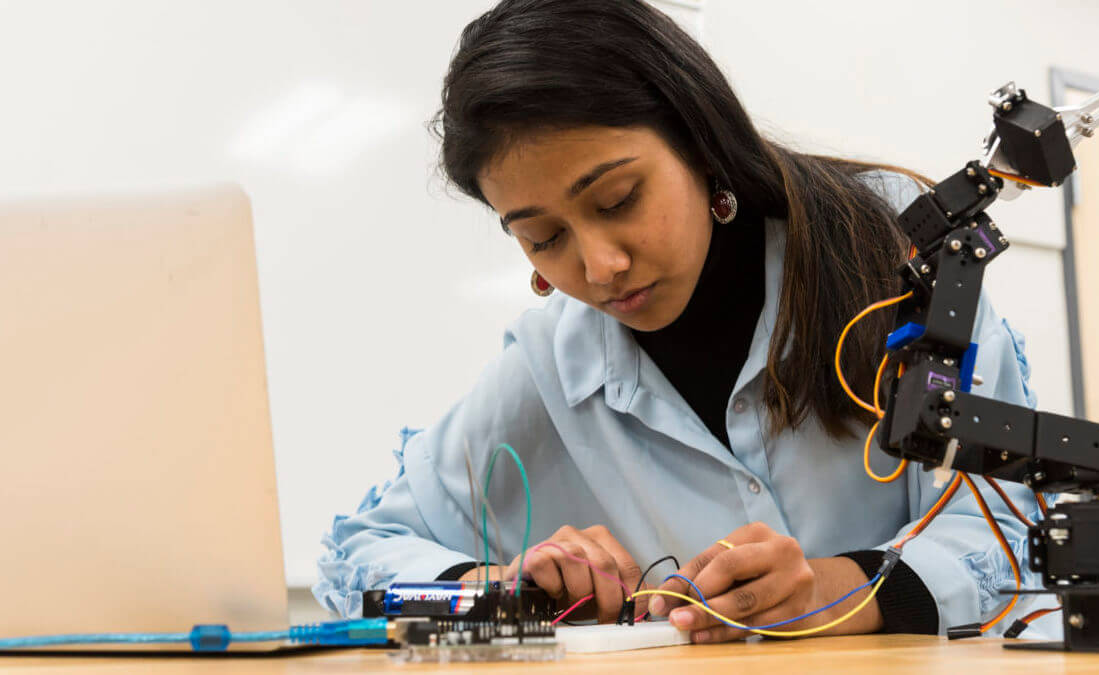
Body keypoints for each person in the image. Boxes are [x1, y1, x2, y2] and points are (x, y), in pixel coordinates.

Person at [313, 0, 1055, 642]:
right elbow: (361, 554)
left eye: (616, 200)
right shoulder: (550, 359)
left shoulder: (891, 248)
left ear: (701, 142)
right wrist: (505, 586)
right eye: (544, 237)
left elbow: (1006, 530)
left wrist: (835, 588)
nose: (599, 265)